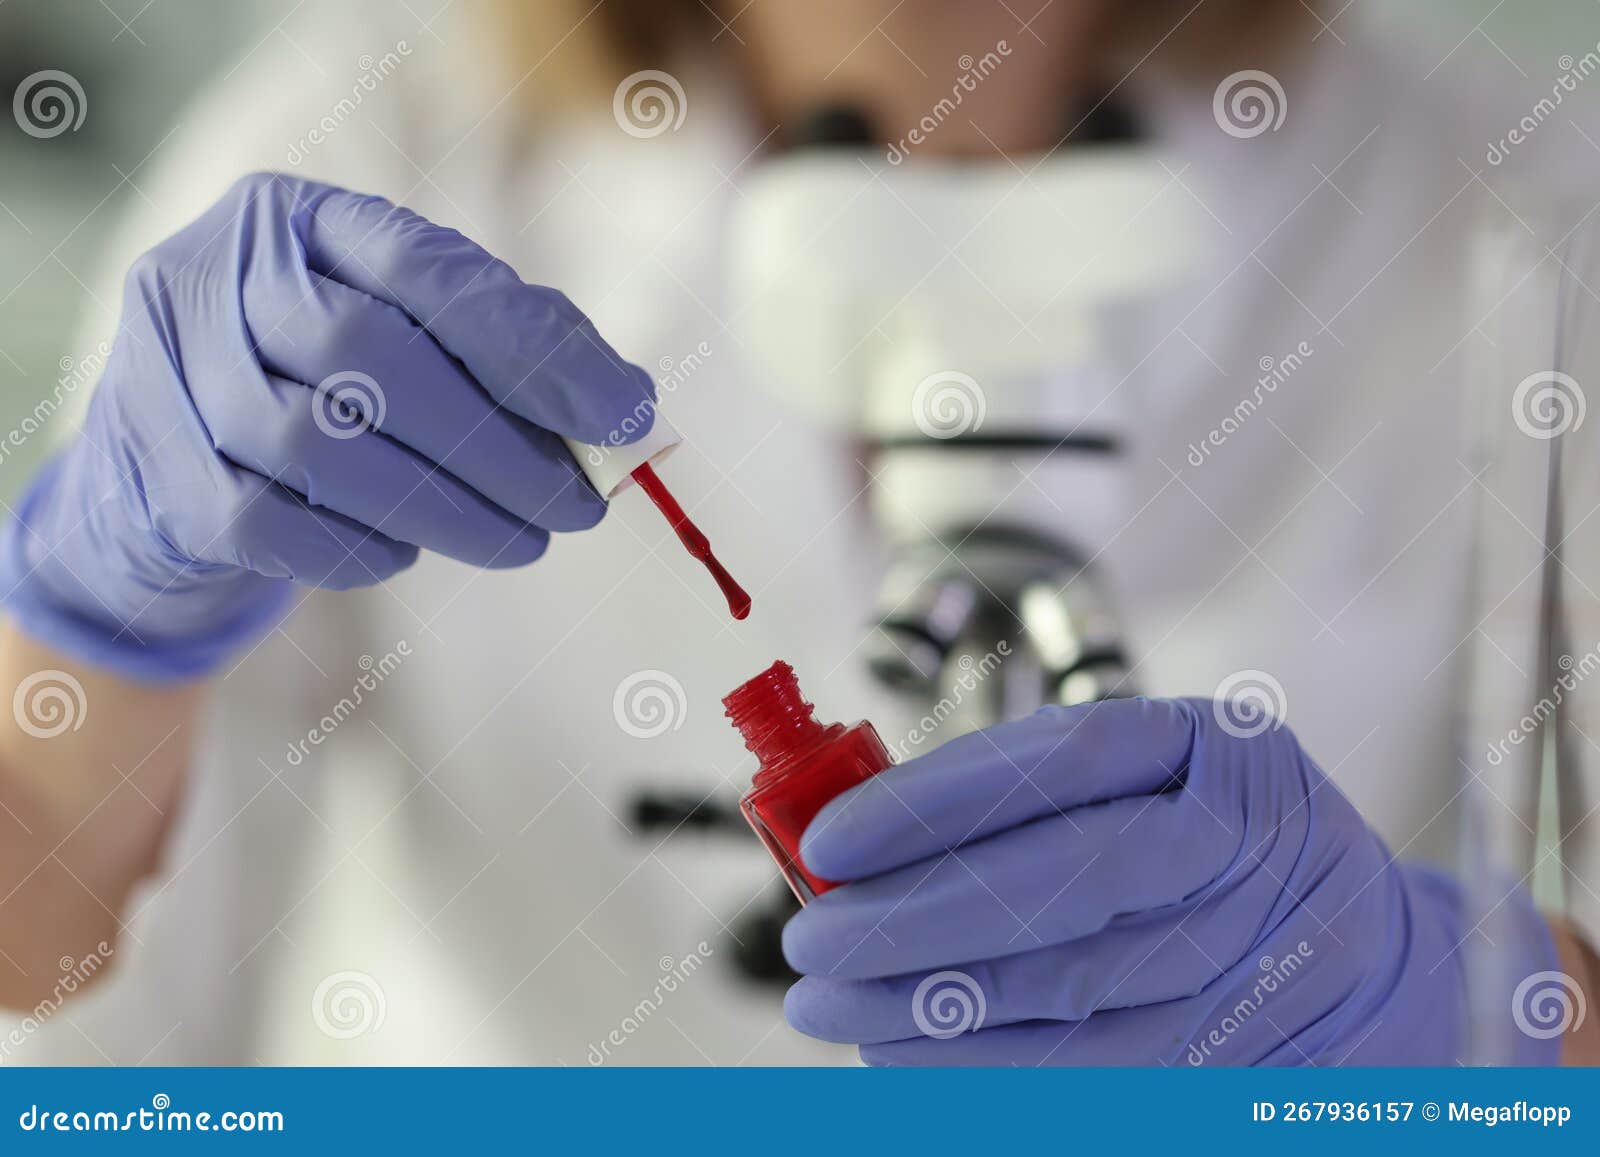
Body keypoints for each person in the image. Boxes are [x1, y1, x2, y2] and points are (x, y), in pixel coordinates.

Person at [0, 0, 1595, 1065]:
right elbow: (50, 974)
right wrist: (98, 617)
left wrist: (1437, 1008)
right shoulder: (359, 157)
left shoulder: (1521, 211)